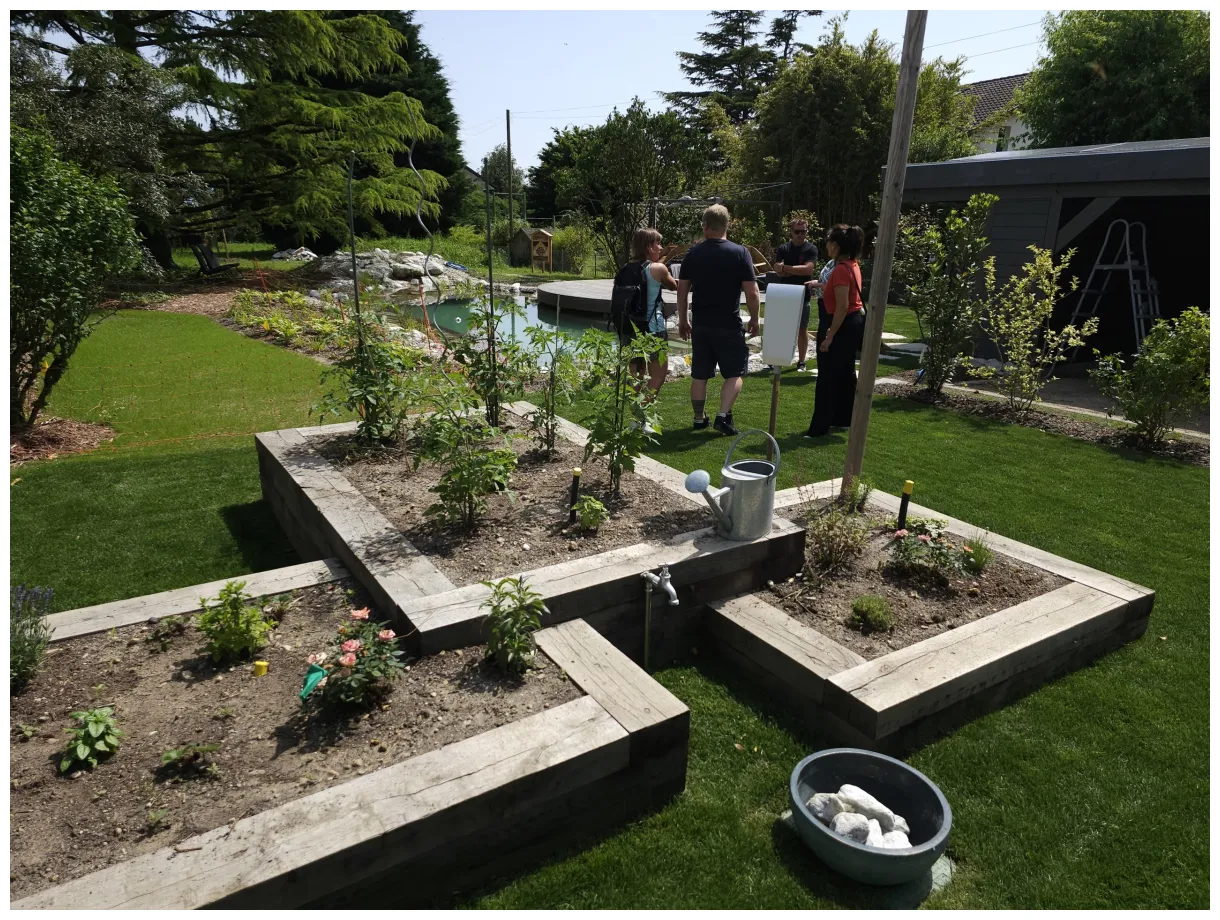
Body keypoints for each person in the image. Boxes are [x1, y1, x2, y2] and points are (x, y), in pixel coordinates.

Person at [676, 204, 761, 436]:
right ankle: (722, 417)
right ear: (727, 225)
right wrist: (754, 317)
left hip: (701, 324)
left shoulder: (693, 254)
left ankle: (698, 418)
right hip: (728, 324)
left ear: (704, 226)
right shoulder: (740, 252)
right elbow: (752, 292)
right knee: (734, 373)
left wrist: (683, 320)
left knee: (700, 374)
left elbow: (681, 292)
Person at [804, 223, 866, 437]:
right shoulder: (852, 264)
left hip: (841, 324)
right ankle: (843, 419)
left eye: (829, 242)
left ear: (837, 246)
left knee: (827, 377)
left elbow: (842, 306)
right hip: (851, 323)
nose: (827, 246)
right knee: (845, 373)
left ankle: (820, 427)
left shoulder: (840, 270)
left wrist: (829, 337)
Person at [617, 228, 677, 407]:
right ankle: (643, 413)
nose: (660, 247)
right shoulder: (658, 268)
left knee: (636, 375)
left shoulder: (624, 269)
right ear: (649, 247)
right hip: (653, 331)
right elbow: (674, 286)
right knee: (658, 374)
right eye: (658, 243)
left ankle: (636, 416)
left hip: (629, 330)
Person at [771, 218, 818, 370]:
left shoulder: (811, 249)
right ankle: (778, 358)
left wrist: (786, 268)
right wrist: (790, 270)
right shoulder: (784, 248)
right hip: (785, 293)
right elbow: (777, 269)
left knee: (802, 329)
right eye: (797, 232)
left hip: (803, 295)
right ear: (791, 232)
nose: (800, 235)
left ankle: (801, 361)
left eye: (803, 232)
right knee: (782, 327)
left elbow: (808, 270)